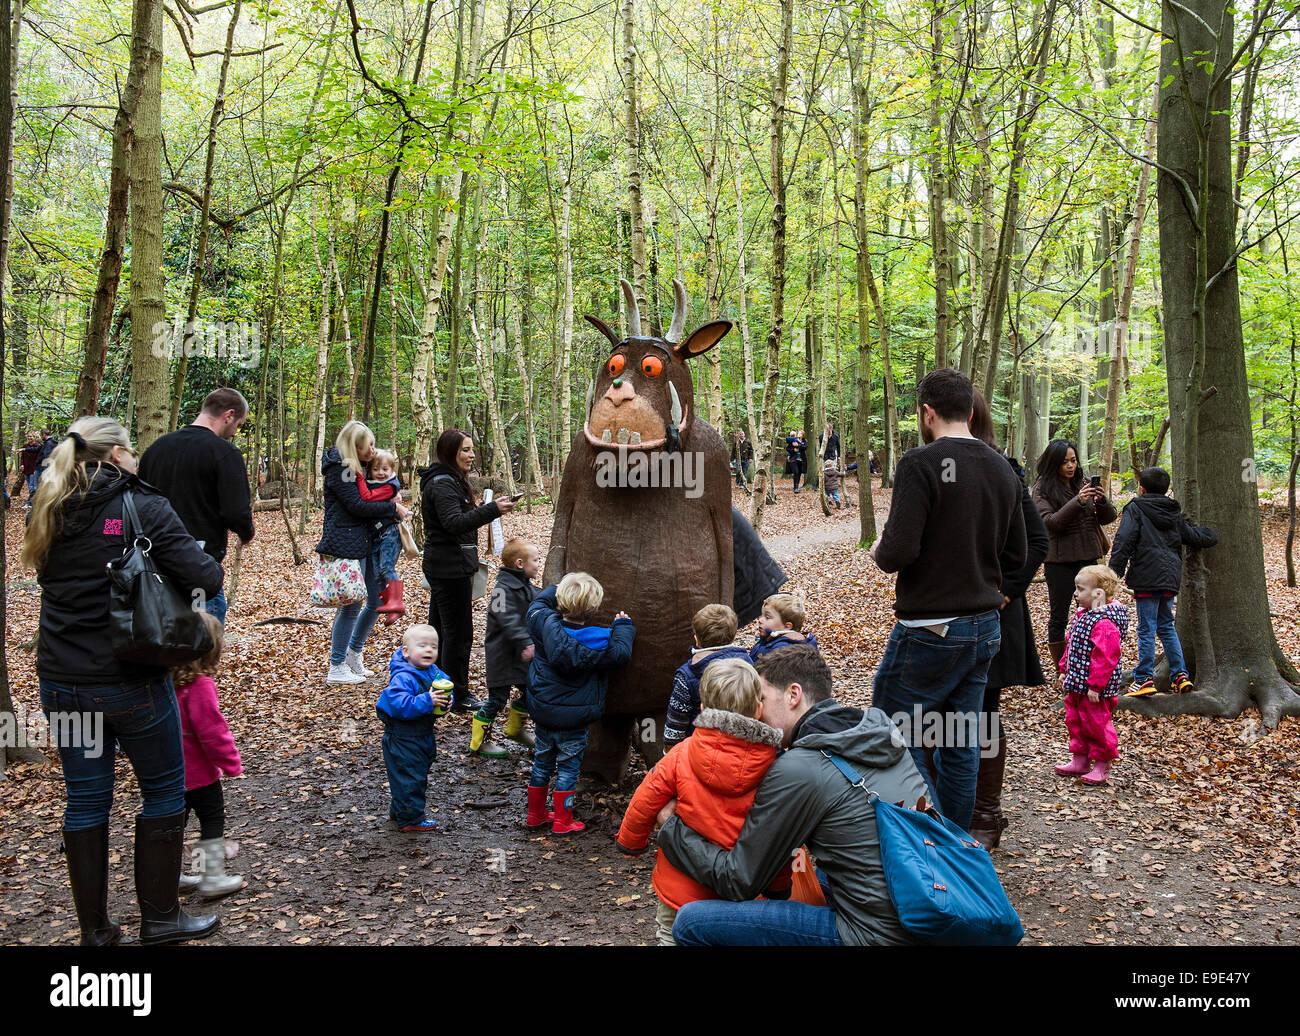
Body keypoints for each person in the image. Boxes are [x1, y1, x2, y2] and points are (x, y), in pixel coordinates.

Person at [22, 417, 224, 946]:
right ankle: (160, 918)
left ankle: (96, 931)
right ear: (115, 455)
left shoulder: (45, 507)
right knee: (163, 792)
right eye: (131, 450)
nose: (136, 459)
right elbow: (205, 576)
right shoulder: (143, 506)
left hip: (62, 679)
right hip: (130, 678)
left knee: (86, 800)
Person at [656, 645, 931, 946]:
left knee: (691, 922)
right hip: (923, 911)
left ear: (793, 694)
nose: (755, 712)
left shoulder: (799, 767)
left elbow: (738, 880)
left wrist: (672, 827)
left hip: (870, 935)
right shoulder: (878, 731)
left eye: (760, 698)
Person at [869, 368, 1026, 830]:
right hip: (983, 626)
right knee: (960, 742)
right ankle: (956, 849)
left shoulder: (920, 463)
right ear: (973, 410)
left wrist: (879, 547)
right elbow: (1018, 552)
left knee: (896, 733)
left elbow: (897, 552)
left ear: (927, 412)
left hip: (930, 630)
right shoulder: (1001, 466)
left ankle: (930, 842)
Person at [617, 658, 792, 945]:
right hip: (739, 895)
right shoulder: (775, 768)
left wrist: (631, 842)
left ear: (702, 708)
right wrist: (778, 886)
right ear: (759, 709)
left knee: (669, 936)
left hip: (679, 887)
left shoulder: (681, 753)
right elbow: (776, 837)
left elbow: (646, 797)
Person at [967, 389, 1048, 848]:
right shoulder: (935, 467)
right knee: (938, 714)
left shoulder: (1005, 470)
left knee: (984, 712)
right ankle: (951, 807)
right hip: (948, 613)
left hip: (997, 613)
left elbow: (1037, 541)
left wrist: (1006, 593)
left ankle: (985, 815)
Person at [524, 573, 635, 835]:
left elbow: (536, 606)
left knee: (541, 763)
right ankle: (563, 820)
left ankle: (535, 814)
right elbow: (621, 653)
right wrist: (624, 627)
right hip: (574, 721)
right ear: (594, 609)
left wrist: (559, 587)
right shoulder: (600, 638)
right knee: (568, 768)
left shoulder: (542, 624)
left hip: (543, 714)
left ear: (560, 601)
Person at [138, 388, 256, 624]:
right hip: (198, 568)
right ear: (228, 415)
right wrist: (246, 532)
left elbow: (138, 500)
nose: (235, 433)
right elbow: (236, 511)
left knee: (161, 642)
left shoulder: (156, 449)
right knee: (201, 648)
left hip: (153, 568)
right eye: (238, 424)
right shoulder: (224, 453)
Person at [419, 428, 515, 713]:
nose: (472, 455)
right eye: (465, 450)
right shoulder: (442, 484)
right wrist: (492, 510)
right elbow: (454, 523)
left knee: (439, 629)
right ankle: (457, 694)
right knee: (458, 633)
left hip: (448, 565)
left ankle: (435, 685)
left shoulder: (449, 481)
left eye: (472, 450)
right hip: (448, 569)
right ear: (450, 452)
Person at [1108, 466, 1218, 697]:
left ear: (1142, 488)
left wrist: (1112, 573)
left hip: (1147, 577)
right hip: (1169, 577)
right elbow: (1191, 535)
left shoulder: (1136, 508)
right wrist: (1210, 534)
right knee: (1166, 626)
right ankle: (1180, 675)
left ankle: (1144, 678)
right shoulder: (1173, 511)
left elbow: (1124, 540)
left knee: (1146, 627)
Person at [316, 421, 409, 685]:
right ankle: (336, 665)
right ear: (354, 445)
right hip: (346, 543)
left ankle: (353, 653)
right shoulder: (341, 469)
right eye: (367, 444)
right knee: (351, 605)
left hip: (365, 541)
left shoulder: (360, 467)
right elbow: (357, 505)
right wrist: (394, 509)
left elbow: (383, 485)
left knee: (376, 600)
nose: (372, 448)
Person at [172, 612, 244, 898]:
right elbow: (212, 731)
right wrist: (231, 763)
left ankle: (168, 873)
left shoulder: (166, 681)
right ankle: (211, 876)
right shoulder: (200, 686)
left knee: (175, 822)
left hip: (170, 772)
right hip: (199, 775)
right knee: (212, 819)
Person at [1032, 438, 1117, 672]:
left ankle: (1096, 663)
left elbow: (1108, 518)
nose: (1070, 466)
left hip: (1089, 559)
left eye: (1073, 460)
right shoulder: (1042, 489)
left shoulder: (1083, 482)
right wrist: (1077, 501)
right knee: (1059, 615)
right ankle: (1062, 669)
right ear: (1053, 463)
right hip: (1060, 561)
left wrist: (1102, 500)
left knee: (1097, 613)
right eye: (1064, 462)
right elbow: (1049, 523)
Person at [1053, 565, 1129, 786]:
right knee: (1075, 720)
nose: (1075, 593)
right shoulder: (1083, 616)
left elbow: (1106, 657)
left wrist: (1096, 685)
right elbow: (1072, 645)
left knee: (1096, 723)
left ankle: (1102, 763)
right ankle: (1080, 759)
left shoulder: (1105, 623)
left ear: (1098, 594)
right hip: (1076, 684)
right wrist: (1064, 669)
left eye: (1080, 589)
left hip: (1095, 689)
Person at [376, 624, 454, 832]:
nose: (429, 650)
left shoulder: (432, 672)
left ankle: (400, 810)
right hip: (402, 737)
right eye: (422, 646)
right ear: (406, 652)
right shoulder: (404, 677)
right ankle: (411, 819)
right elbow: (399, 705)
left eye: (433, 646)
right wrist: (428, 701)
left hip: (422, 734)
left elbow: (444, 688)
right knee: (409, 777)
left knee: (415, 772)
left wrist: (446, 701)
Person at [475, 536, 541, 758]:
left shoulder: (526, 587)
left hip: (521, 657)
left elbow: (540, 599)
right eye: (535, 560)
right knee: (496, 699)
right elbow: (505, 617)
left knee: (532, 691)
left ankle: (515, 729)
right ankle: (479, 742)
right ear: (520, 564)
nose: (538, 564)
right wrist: (525, 642)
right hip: (502, 655)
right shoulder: (501, 590)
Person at [664, 604, 753, 747]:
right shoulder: (747, 663)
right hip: (741, 743)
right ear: (733, 636)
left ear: (696, 639)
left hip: (701, 747)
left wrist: (669, 751)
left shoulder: (686, 676)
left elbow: (676, 722)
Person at [356, 448, 406, 623]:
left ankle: (397, 602)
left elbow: (367, 497)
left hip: (389, 533)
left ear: (392, 470)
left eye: (385, 469)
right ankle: (390, 606)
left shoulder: (390, 487)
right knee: (377, 574)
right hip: (377, 535)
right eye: (376, 469)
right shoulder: (375, 483)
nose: (380, 473)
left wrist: (359, 477)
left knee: (386, 568)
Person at [749, 592, 820, 661]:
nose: (760, 620)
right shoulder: (769, 639)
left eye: (767, 617)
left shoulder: (782, 652)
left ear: (787, 626)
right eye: (762, 615)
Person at [18, 431, 41, 504]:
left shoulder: (38, 446)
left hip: (34, 469)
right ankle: (33, 501)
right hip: (26, 469)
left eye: (31, 436)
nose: (29, 438)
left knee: (32, 487)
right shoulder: (25, 446)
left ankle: (30, 503)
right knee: (30, 486)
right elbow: (22, 457)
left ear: (34, 437)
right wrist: (22, 464)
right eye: (28, 436)